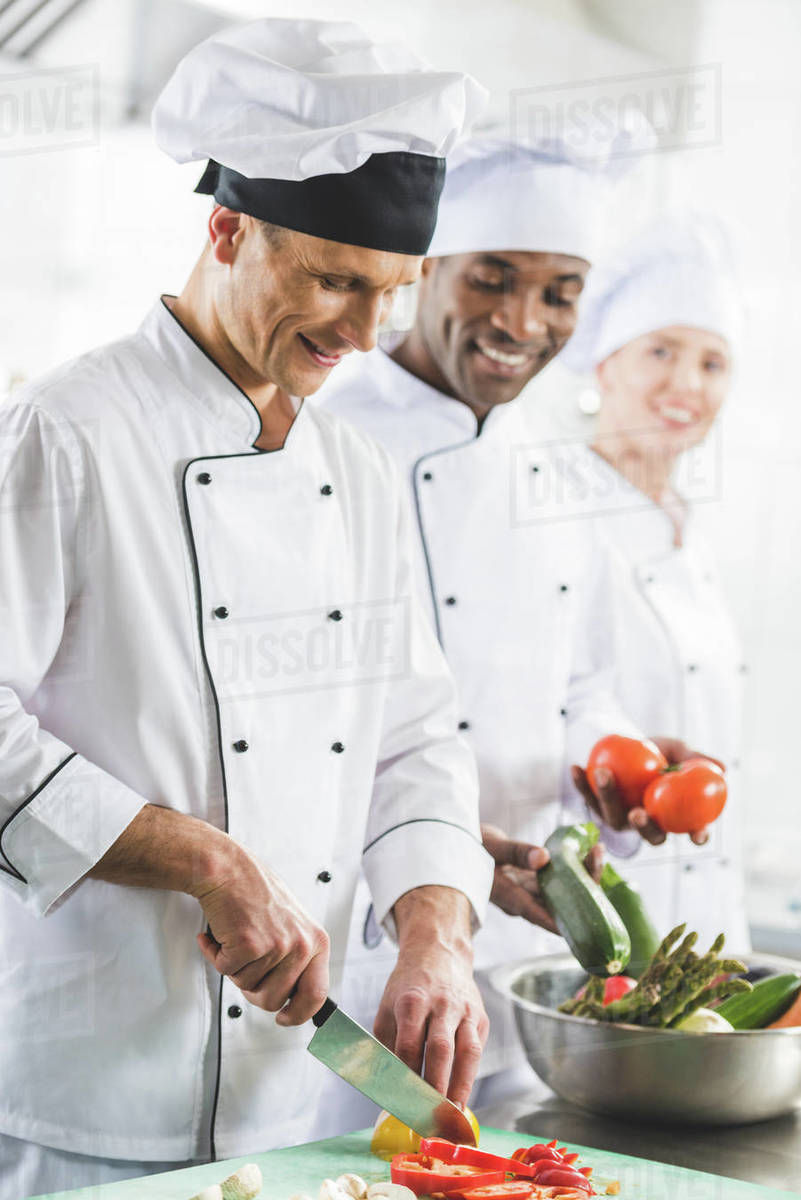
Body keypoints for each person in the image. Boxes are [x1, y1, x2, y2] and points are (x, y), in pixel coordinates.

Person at [0, 21, 496, 1196]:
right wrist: (207, 858)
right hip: (87, 1108)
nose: (362, 339)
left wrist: (434, 929)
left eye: (394, 295)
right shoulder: (68, 432)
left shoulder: (359, 474)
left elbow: (419, 738)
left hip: (299, 1111)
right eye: (333, 280)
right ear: (226, 227)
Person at [314, 130, 698, 1114]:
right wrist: (443, 861)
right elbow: (294, 715)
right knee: (358, 1167)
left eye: (560, 292)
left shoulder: (560, 475)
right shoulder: (324, 437)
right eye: (493, 278)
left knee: (513, 1170)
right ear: (428, 270)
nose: (522, 319)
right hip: (360, 953)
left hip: (531, 951)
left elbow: (581, 685)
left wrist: (618, 764)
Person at [560, 214, 749, 950]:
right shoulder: (559, 513)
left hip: (705, 922)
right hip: (596, 916)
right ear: (605, 364)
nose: (685, 384)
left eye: (711, 363)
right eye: (661, 351)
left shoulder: (693, 532)